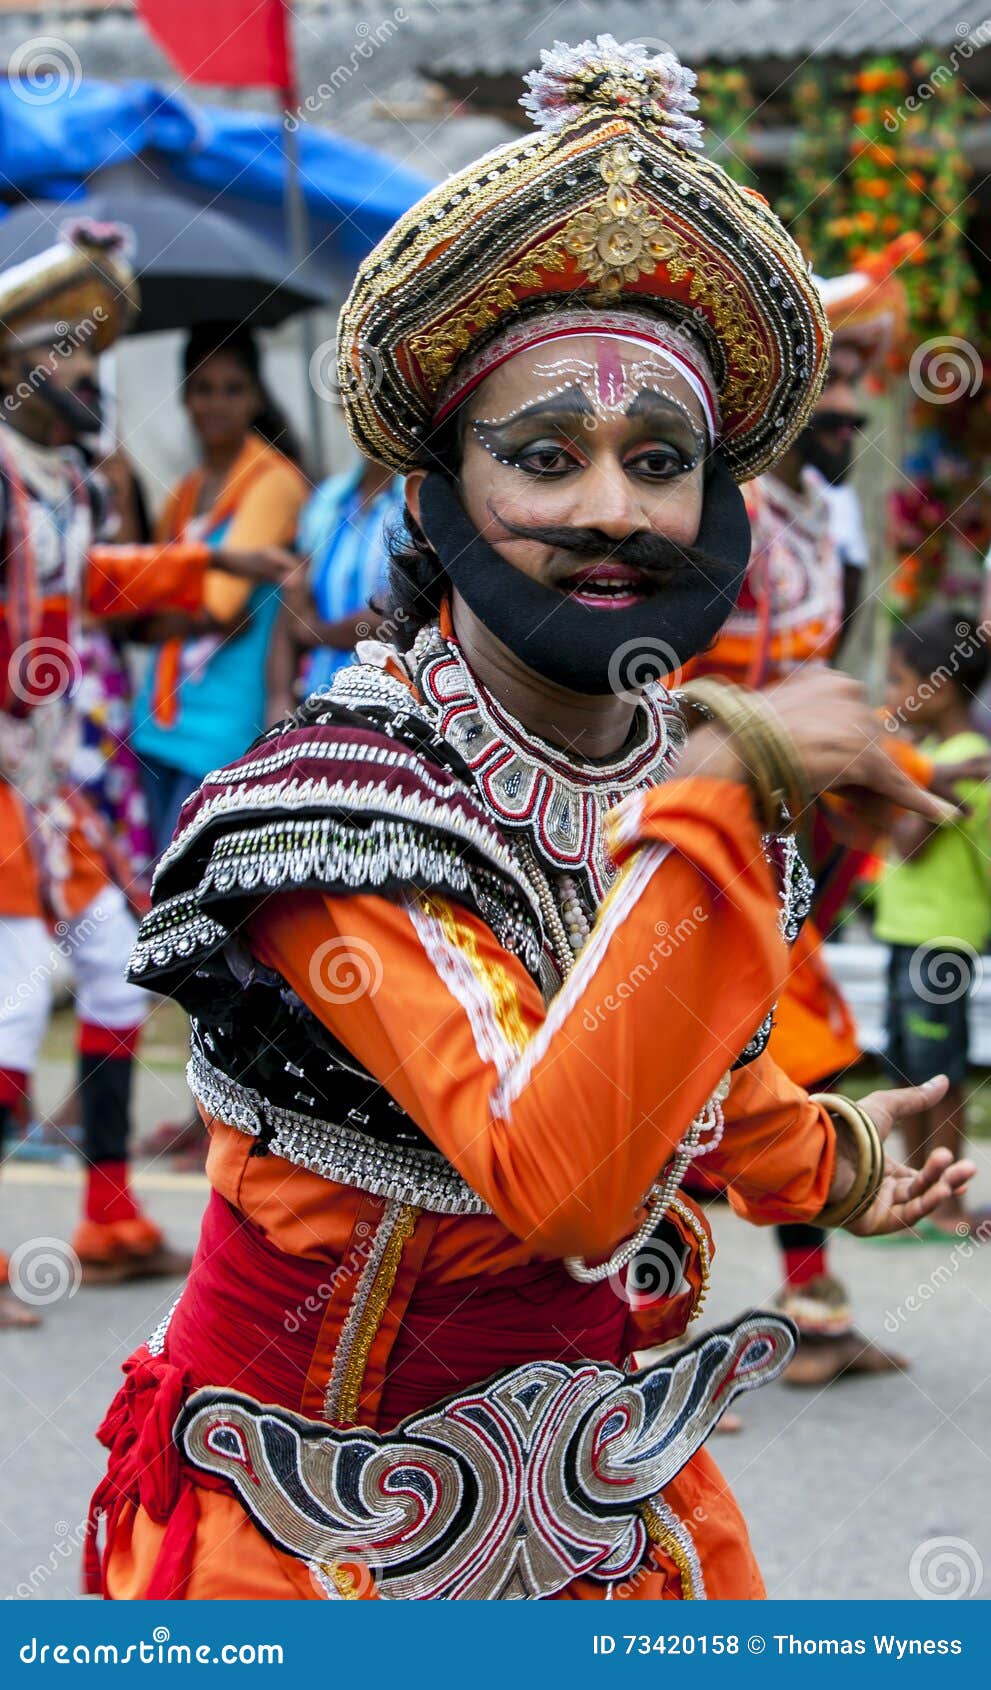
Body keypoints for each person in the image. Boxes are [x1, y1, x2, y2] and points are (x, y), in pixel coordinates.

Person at [86, 39, 973, 1601]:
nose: (615, 510)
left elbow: (688, 1076)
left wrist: (834, 1155)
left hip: (603, 1502)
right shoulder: (337, 809)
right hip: (308, 1529)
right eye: (544, 458)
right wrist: (721, 775)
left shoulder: (651, 758)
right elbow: (552, 1170)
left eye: (661, 461)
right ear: (434, 497)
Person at [0, 223, 281, 1320]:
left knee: (118, 974)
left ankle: (109, 1213)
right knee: (18, 1001)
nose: (82, 377)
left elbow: (84, 587)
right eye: (61, 358)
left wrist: (215, 556)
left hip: (47, 784)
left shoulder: (54, 483)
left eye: (89, 360)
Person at [127, 321, 309, 857]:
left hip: (225, 726)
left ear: (256, 397)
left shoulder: (273, 480)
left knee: (181, 897)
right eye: (203, 389)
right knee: (142, 889)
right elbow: (133, 604)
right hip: (159, 719)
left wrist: (161, 609)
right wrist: (164, 608)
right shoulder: (185, 492)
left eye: (233, 389)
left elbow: (220, 603)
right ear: (185, 397)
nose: (216, 404)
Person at [877, 610, 991, 1236]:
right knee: (908, 1066)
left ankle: (947, 1203)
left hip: (940, 938)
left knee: (939, 1071)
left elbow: (909, 843)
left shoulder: (967, 758)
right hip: (910, 933)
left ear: (937, 688)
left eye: (897, 681)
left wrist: (904, 774)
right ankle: (914, 1193)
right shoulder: (939, 756)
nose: (890, 697)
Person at [267, 454, 404, 719]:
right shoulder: (328, 499)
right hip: (316, 706)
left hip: (390, 714)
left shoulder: (418, 496)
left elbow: (395, 615)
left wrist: (314, 631)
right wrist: (279, 717)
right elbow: (289, 618)